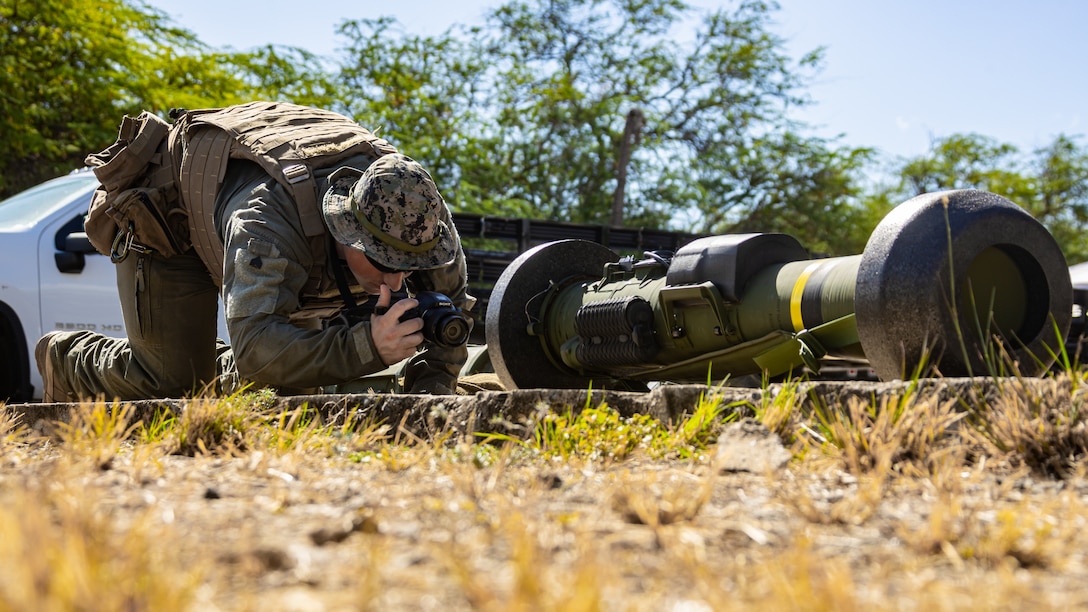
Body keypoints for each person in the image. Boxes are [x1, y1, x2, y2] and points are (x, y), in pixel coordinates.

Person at [35, 106, 472, 402]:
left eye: (410, 267)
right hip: (172, 217)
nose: (397, 283)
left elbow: (453, 317)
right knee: (177, 383)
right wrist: (368, 346)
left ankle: (217, 363)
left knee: (289, 392)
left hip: (249, 212)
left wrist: (429, 398)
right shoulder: (268, 224)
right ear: (347, 232)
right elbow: (260, 351)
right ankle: (66, 359)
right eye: (384, 264)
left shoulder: (419, 219)